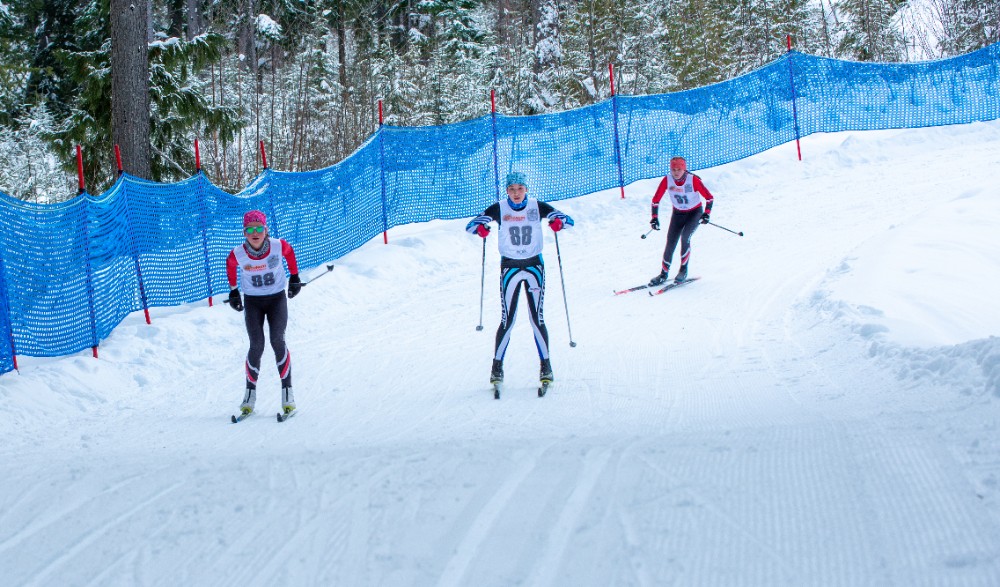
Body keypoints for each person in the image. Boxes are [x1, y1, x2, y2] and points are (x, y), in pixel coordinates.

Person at [465, 171, 574, 386]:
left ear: (526, 189)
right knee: (508, 319)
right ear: (506, 190)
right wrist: (481, 228)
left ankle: (546, 366)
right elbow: (470, 227)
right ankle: (497, 368)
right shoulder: (499, 208)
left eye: (520, 188)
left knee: (537, 319)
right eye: (512, 189)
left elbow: (569, 221)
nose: (516, 193)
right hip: (510, 267)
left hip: (534, 266)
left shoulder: (537, 206)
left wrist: (557, 222)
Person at [226, 210, 303, 417]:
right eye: (250, 229)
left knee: (277, 340)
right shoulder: (238, 254)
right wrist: (233, 291)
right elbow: (230, 265)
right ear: (244, 233)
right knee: (256, 345)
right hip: (253, 302)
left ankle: (288, 394)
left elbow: (290, 252)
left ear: (265, 230)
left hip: (276, 299)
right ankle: (249, 396)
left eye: (259, 228)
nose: (255, 232)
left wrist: (294, 277)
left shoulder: (277, 246)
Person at [648, 156, 715, 286]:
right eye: (673, 169)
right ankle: (663, 274)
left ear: (684, 169)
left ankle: (683, 270)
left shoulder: (693, 180)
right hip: (678, 214)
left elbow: (709, 198)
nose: (676, 172)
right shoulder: (667, 180)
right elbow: (655, 200)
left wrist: (706, 214)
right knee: (671, 242)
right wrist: (654, 218)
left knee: (685, 237)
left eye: (679, 169)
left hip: (694, 213)